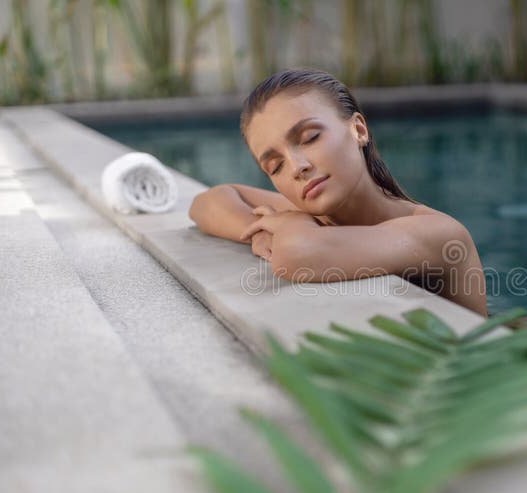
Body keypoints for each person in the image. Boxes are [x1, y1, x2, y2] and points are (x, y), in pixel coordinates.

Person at [189, 68, 487, 316]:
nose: (297, 167)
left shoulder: (439, 233)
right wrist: (259, 230)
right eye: (275, 165)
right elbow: (208, 202)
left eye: (310, 138)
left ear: (358, 130)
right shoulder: (311, 217)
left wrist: (291, 224)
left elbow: (300, 254)